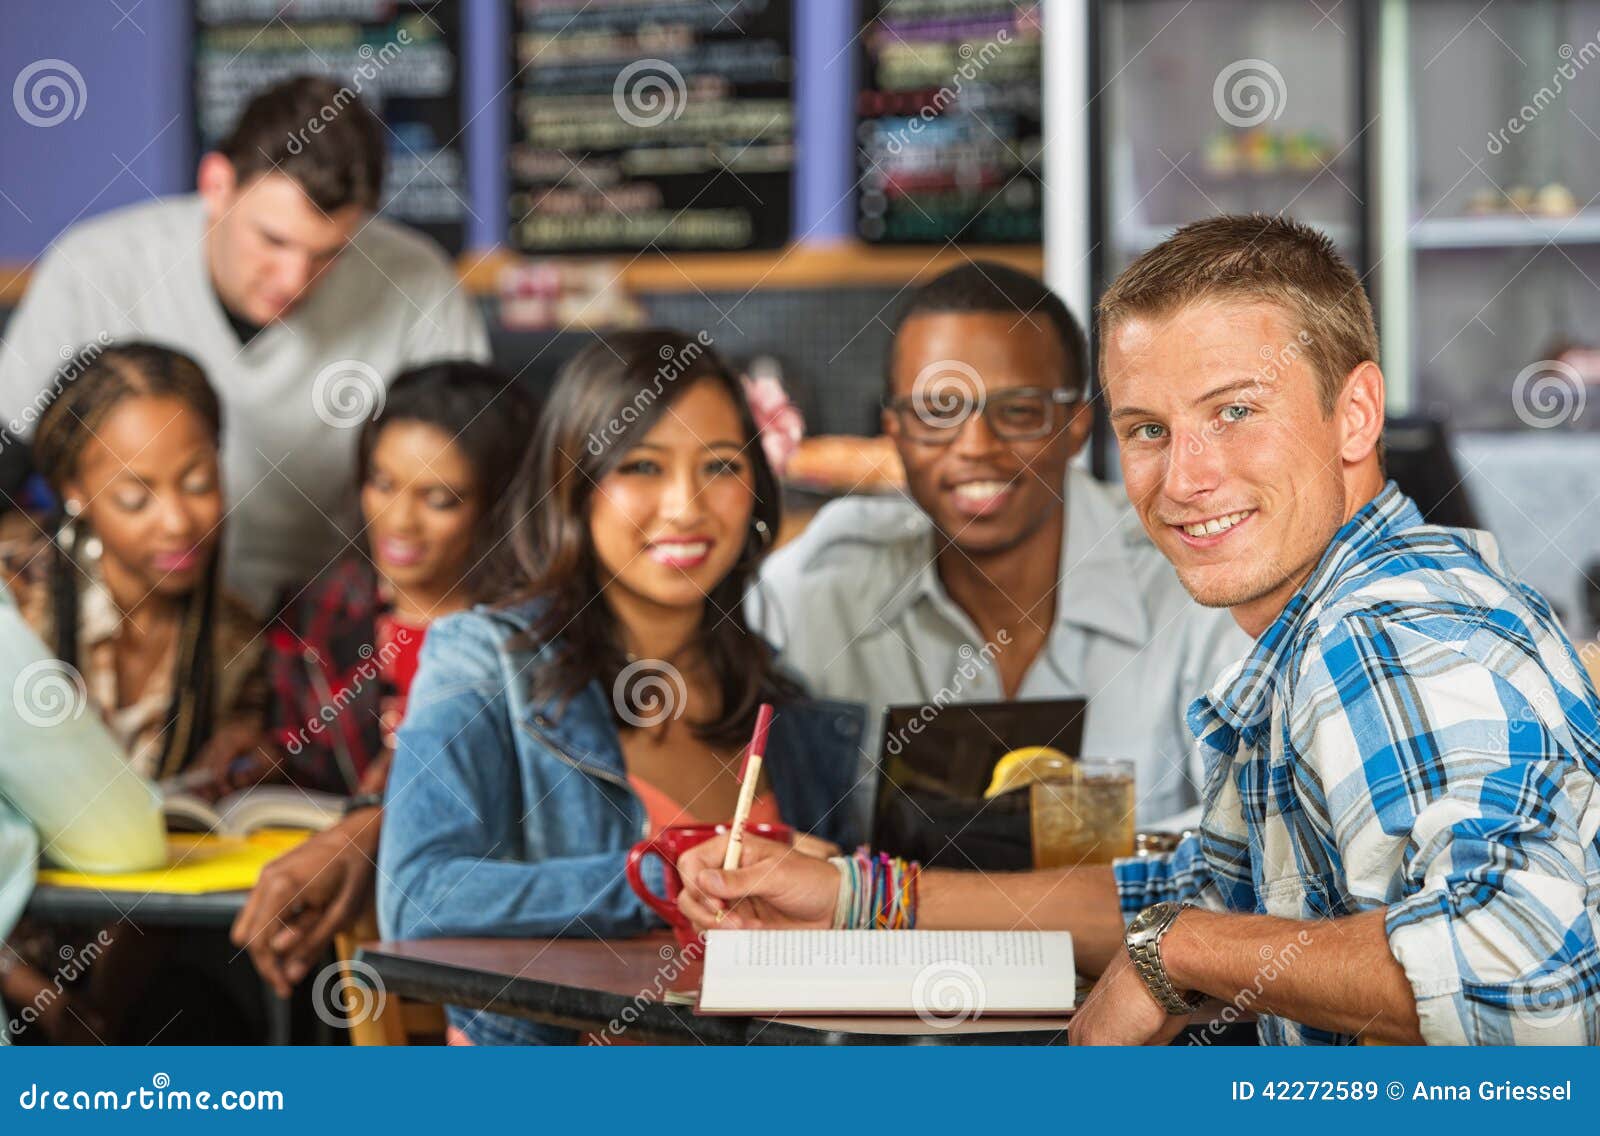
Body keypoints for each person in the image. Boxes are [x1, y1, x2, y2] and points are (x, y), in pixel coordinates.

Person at [675, 215, 1600, 1047]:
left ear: (1354, 414)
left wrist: (1179, 951)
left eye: (1235, 412)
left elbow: (1524, 989)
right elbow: (1200, 894)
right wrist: (860, 894)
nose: (1185, 478)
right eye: (1149, 430)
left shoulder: (1379, 631)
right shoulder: (1326, 626)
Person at [377, 330, 867, 1045]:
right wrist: (669, 877)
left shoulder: (787, 709)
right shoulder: (482, 660)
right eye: (642, 466)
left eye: (720, 466)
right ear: (573, 483)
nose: (686, 507)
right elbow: (418, 897)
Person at [751, 263, 1250, 830]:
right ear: (895, 432)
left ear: (1078, 425)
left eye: (1017, 412)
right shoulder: (818, 588)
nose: (976, 447)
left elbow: (1245, 840)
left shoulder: (1193, 574)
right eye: (937, 412)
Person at [0, 75, 490, 609]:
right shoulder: (95, 267)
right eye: (272, 240)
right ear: (216, 185)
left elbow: (483, 480)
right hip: (124, 615)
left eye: (329, 253)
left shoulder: (418, 282)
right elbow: (8, 455)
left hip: (330, 618)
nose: (293, 279)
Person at [229, 362, 536, 997]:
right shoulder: (315, 614)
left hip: (483, 949)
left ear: (499, 503)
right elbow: (293, 760)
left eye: (439, 499)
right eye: (383, 483)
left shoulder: (534, 634)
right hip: (312, 931)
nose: (399, 521)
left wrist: (370, 827)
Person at [1, 343, 268, 1043]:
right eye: (135, 496)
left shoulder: (237, 643)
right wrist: (36, 998)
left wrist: (98, 1012)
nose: (177, 520)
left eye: (198, 481)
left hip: (136, 977)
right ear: (75, 491)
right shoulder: (11, 604)